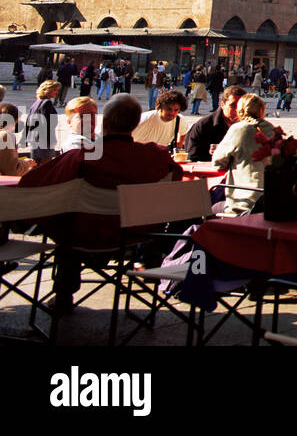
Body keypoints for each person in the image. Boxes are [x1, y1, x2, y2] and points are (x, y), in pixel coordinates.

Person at [19, 94, 182, 315]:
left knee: (70, 218)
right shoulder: (158, 156)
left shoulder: (81, 157)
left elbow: (31, 183)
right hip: (136, 235)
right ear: (135, 124)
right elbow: (176, 178)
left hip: (82, 235)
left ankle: (64, 294)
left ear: (104, 123)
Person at [210, 93, 277, 215]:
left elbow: (217, 164)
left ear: (240, 111)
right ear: (261, 111)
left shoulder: (239, 129)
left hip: (244, 203)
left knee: (210, 206)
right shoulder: (272, 130)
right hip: (270, 201)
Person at [184, 86, 245, 162]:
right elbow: (192, 157)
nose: (237, 110)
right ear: (222, 104)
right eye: (233, 106)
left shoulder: (248, 126)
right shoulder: (204, 126)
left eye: (241, 106)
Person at [23, 79, 61, 162]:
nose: (57, 92)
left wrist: (25, 137)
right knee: (45, 166)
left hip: (34, 138)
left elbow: (28, 121)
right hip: (44, 140)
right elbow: (47, 123)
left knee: (36, 164)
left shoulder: (36, 102)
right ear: (48, 90)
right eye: (55, 90)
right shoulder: (47, 103)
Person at [0, 103, 35, 176]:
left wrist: (21, 161)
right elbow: (12, 170)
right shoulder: (6, 136)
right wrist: (27, 164)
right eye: (17, 121)